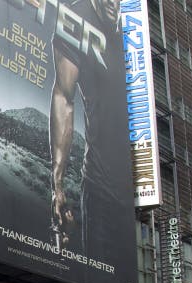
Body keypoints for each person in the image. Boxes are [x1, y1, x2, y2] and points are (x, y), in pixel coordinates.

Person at [48, 0, 129, 255]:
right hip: (102, 192)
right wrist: (57, 186)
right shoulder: (75, 20)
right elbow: (63, 96)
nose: (113, 3)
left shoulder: (134, 33)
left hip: (135, 201)